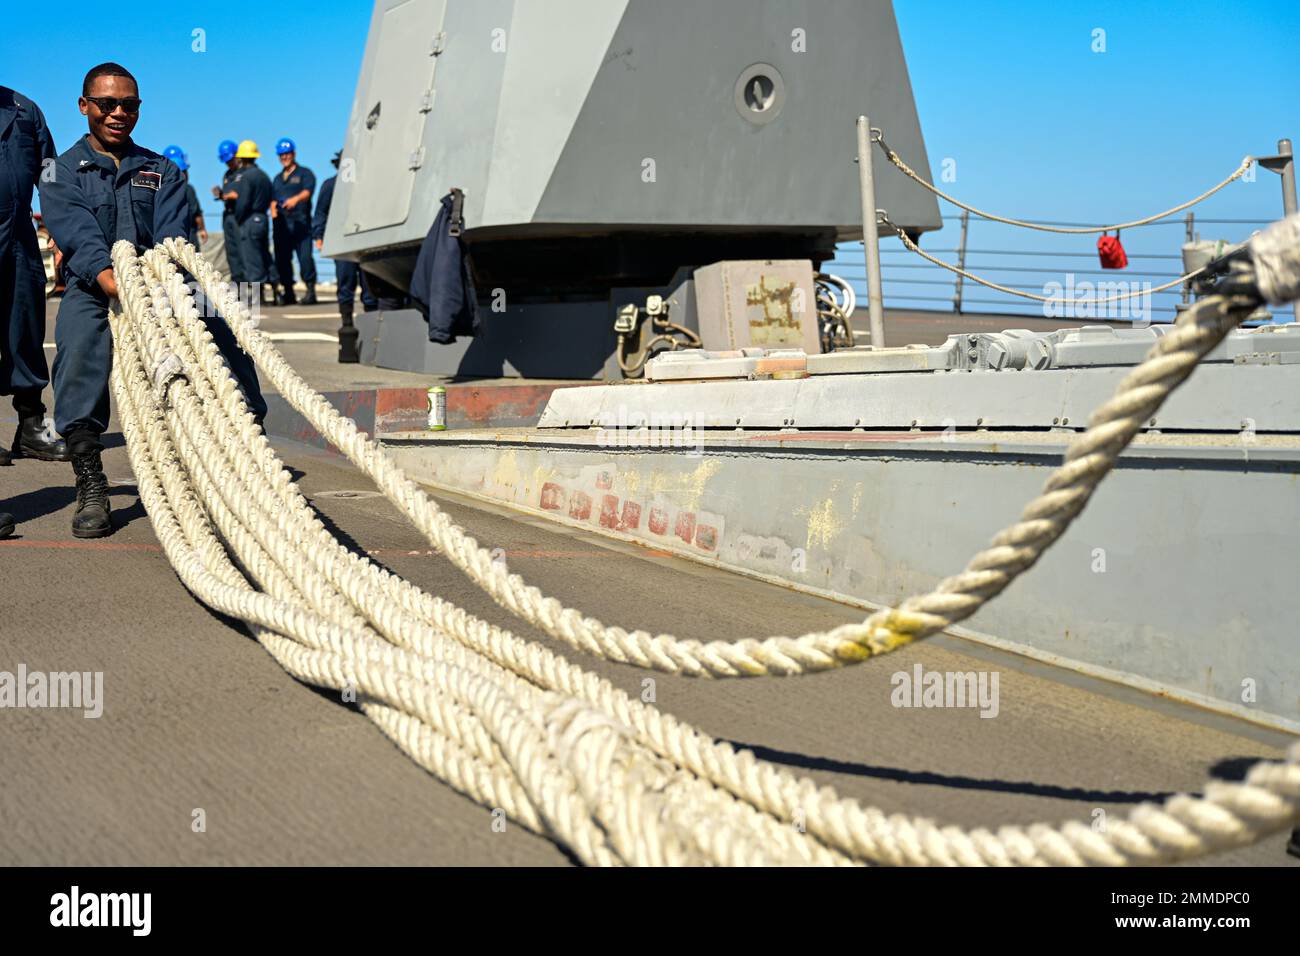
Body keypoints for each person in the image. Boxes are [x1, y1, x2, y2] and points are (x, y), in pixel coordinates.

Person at [40, 62, 267, 538]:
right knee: (78, 347)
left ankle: (249, 449)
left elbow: (171, 234)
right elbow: (78, 233)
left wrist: (155, 286)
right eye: (107, 104)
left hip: (160, 284)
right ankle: (90, 481)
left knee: (223, 339)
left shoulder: (162, 169)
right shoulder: (58, 171)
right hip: (93, 283)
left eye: (129, 104)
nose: (118, 112)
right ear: (85, 107)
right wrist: (111, 279)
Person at [0, 84, 69, 475]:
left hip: (20, 237)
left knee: (24, 328)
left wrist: (60, 229)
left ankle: (30, 425)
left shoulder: (25, 111)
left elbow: (50, 172)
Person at [313, 149, 375, 361]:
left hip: (366, 241)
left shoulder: (367, 183)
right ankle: (347, 324)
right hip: (343, 242)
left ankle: (370, 323)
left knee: (369, 286)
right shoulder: (331, 185)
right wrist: (318, 235)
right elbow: (321, 211)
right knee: (345, 284)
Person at [221, 140, 274, 307]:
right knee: (262, 254)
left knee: (252, 258)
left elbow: (243, 202)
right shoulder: (263, 175)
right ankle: (269, 290)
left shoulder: (246, 177)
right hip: (262, 218)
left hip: (249, 220)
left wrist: (238, 218)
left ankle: (259, 298)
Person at [270, 137, 317, 306]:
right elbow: (272, 199)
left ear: (293, 154)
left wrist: (295, 200)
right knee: (282, 259)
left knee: (305, 258)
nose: (285, 158)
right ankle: (288, 291)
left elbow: (308, 192)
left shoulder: (305, 173)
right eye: (282, 155)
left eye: (287, 154)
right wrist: (273, 210)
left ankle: (310, 290)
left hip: (301, 223)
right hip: (282, 225)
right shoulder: (277, 179)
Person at [212, 139, 244, 283]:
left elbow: (239, 194)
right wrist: (221, 195)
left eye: (230, 160)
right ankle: (238, 284)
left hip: (241, 217)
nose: (229, 163)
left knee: (245, 252)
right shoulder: (227, 175)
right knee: (232, 253)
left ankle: (254, 288)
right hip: (229, 216)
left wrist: (226, 195)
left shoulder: (245, 173)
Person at [162, 145, 206, 249]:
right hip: (188, 234)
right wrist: (203, 229)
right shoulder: (188, 189)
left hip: (168, 236)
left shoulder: (162, 189)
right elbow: (197, 213)